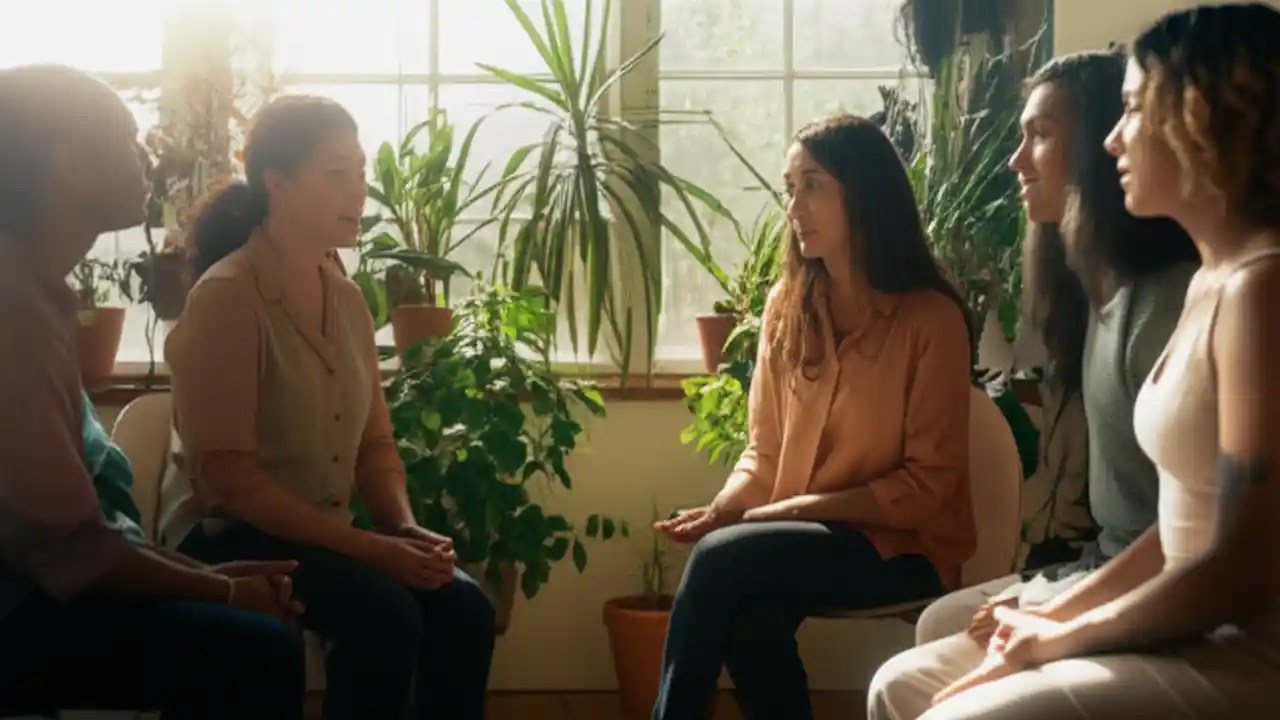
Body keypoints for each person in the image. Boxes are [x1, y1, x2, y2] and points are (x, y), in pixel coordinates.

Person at [876, 4, 1280, 717]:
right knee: (903, 688)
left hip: (1240, 648)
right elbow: (1176, 532)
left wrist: (1057, 636)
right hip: (1188, 623)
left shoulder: (1261, 290)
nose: (1114, 141)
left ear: (1202, 120)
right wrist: (1050, 622)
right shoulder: (1214, 281)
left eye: (1131, 112)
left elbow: (1242, 564)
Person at [160, 95, 496, 720]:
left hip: (324, 535)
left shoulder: (345, 299)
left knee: (464, 607)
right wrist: (365, 548)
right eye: (336, 173)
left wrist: (400, 527)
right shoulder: (229, 297)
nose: (359, 192)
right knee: (383, 614)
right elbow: (228, 477)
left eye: (362, 172)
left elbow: (376, 446)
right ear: (277, 183)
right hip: (226, 539)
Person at [0, 64, 305, 719]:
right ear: (70, 164)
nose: (146, 157)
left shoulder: (35, 289)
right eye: (127, 139)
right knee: (255, 649)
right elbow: (68, 549)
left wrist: (207, 582)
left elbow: (76, 530)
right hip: (18, 606)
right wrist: (219, 593)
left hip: (42, 581)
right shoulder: (12, 306)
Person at [650, 115, 975, 720]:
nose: (794, 205)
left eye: (813, 185)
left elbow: (927, 488)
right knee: (748, 617)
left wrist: (791, 512)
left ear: (865, 192)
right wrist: (727, 508)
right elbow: (764, 453)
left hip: (901, 549)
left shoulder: (932, 321)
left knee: (724, 559)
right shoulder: (786, 308)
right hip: (800, 536)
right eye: (788, 188)